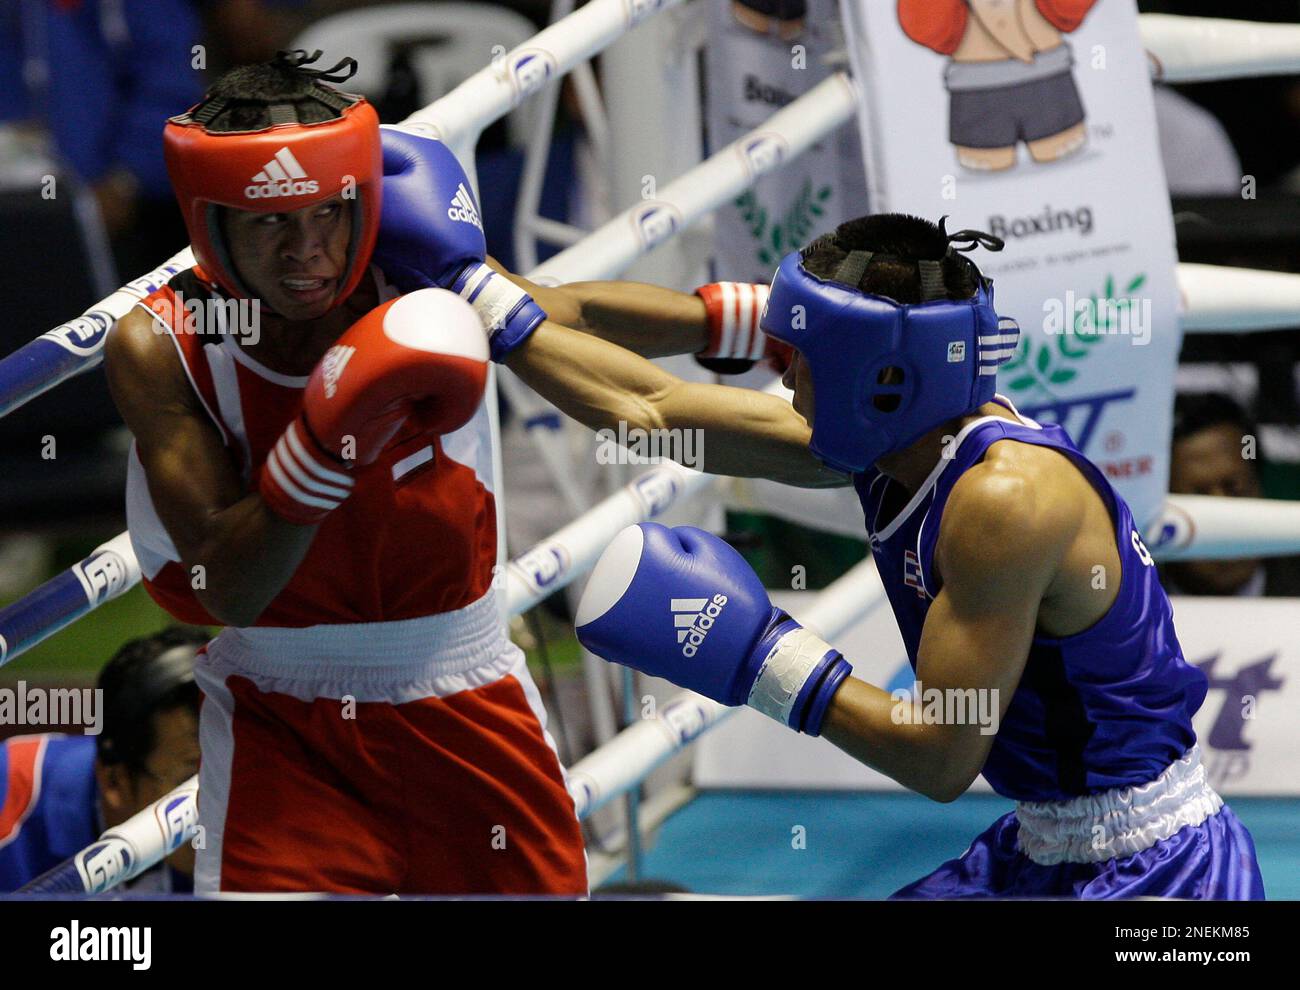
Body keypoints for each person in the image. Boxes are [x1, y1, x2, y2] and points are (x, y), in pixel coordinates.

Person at [469, 212, 1264, 899]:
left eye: (807, 363)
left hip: (1160, 872)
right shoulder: (892, 442)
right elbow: (653, 408)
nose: (789, 381)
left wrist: (760, 656)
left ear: (880, 380)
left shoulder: (1003, 502)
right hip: (1043, 845)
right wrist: (476, 288)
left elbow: (940, 756)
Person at [105, 50, 586, 895]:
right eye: (269, 223)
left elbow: (569, 315)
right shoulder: (164, 343)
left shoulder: (416, 275)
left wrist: (732, 319)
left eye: (328, 212)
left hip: (463, 700)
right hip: (283, 726)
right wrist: (324, 444)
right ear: (211, 221)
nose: (309, 251)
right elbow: (231, 588)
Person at [0, 626, 204, 893]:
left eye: (227, 770)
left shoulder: (255, 803)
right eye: (190, 781)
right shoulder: (8, 806)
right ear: (114, 782)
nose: (225, 805)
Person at [1163, 391, 1300, 596]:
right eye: (1198, 499)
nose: (1223, 518)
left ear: (1261, 488)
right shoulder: (1126, 604)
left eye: (1236, 490)